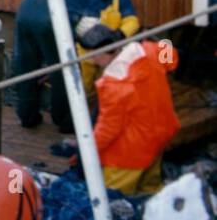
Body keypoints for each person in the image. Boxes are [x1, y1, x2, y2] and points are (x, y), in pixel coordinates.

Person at [12, 0, 137, 131]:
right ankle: (64, 121)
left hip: (24, 15)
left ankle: (26, 116)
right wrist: (103, 45)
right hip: (53, 24)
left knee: (26, 66)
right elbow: (87, 29)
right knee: (65, 71)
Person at [76, 25, 179, 195]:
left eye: (93, 55)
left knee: (116, 201)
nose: (92, 61)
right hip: (159, 136)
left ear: (104, 52)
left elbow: (108, 129)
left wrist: (88, 150)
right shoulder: (149, 50)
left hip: (128, 155)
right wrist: (161, 39)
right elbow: (172, 57)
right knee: (152, 191)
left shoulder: (113, 83)